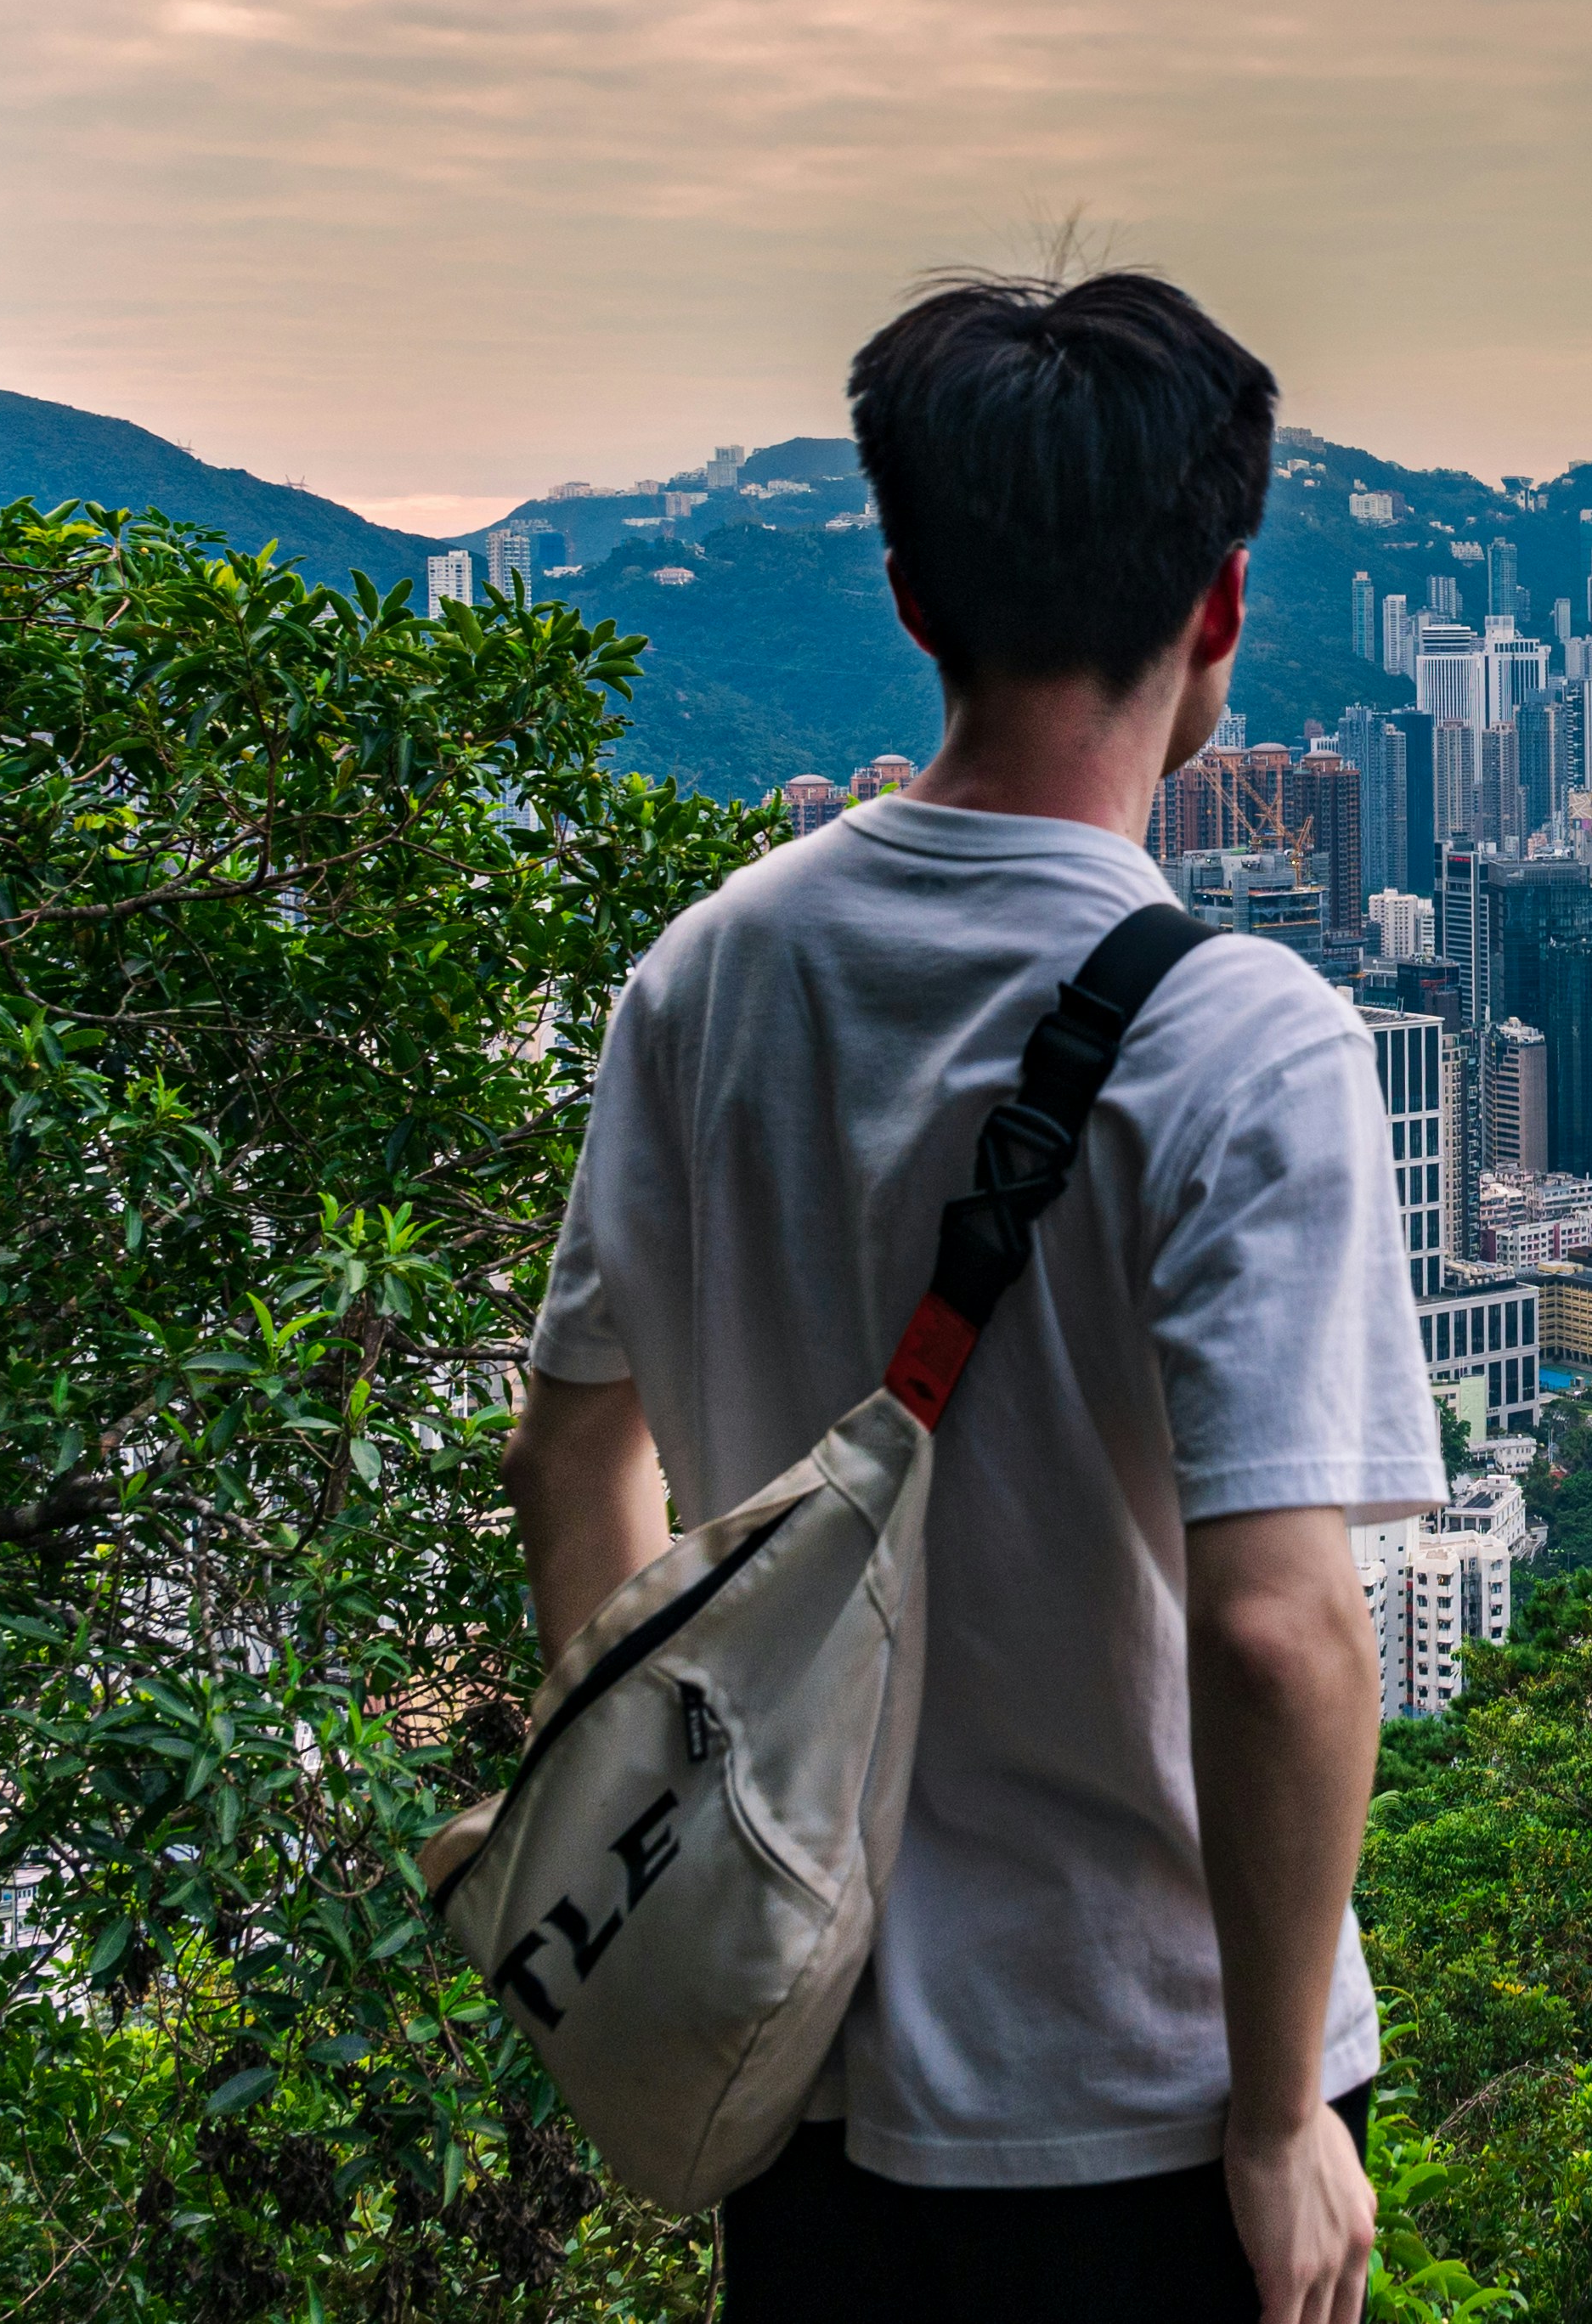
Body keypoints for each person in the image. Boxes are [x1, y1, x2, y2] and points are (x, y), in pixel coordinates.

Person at [505, 270, 1441, 2323]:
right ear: (1220, 608)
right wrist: (1282, 2116)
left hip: (804, 2086)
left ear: (913, 600)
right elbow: (1279, 1633)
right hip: (1148, 2105)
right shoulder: (1246, 1038)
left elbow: (578, 1452)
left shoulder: (708, 976)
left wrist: (681, 1851)